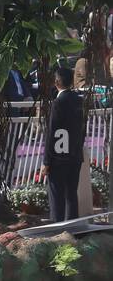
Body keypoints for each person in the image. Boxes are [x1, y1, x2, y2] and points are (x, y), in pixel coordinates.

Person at [41, 65, 85, 222]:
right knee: (71, 195)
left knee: (56, 196)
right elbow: (82, 131)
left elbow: (52, 133)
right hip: (75, 155)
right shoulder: (79, 101)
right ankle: (73, 228)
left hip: (59, 156)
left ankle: (58, 228)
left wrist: (47, 161)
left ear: (56, 82)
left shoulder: (58, 103)